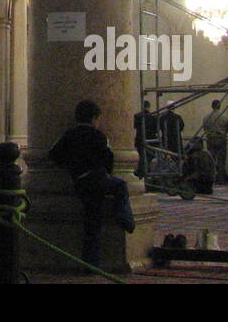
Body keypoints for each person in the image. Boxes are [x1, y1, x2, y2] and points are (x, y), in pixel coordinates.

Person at [48, 100, 135, 269]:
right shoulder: (99, 136)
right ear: (95, 118)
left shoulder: (69, 135)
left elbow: (53, 154)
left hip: (81, 181)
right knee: (121, 186)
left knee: (91, 222)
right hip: (99, 178)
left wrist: (71, 166)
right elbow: (109, 160)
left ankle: (90, 262)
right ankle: (125, 217)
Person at [202, 99, 228, 184]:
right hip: (221, 138)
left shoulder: (206, 117)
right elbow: (226, 129)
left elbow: (205, 128)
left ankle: (211, 178)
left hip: (210, 138)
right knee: (221, 160)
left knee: (211, 159)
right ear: (219, 106)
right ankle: (221, 179)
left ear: (212, 106)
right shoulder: (224, 117)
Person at [133, 100, 158, 177]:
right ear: (149, 107)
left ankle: (142, 172)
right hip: (151, 140)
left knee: (142, 157)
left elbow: (135, 126)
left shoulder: (137, 116)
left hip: (140, 139)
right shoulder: (153, 117)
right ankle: (145, 171)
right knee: (148, 157)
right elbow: (156, 129)